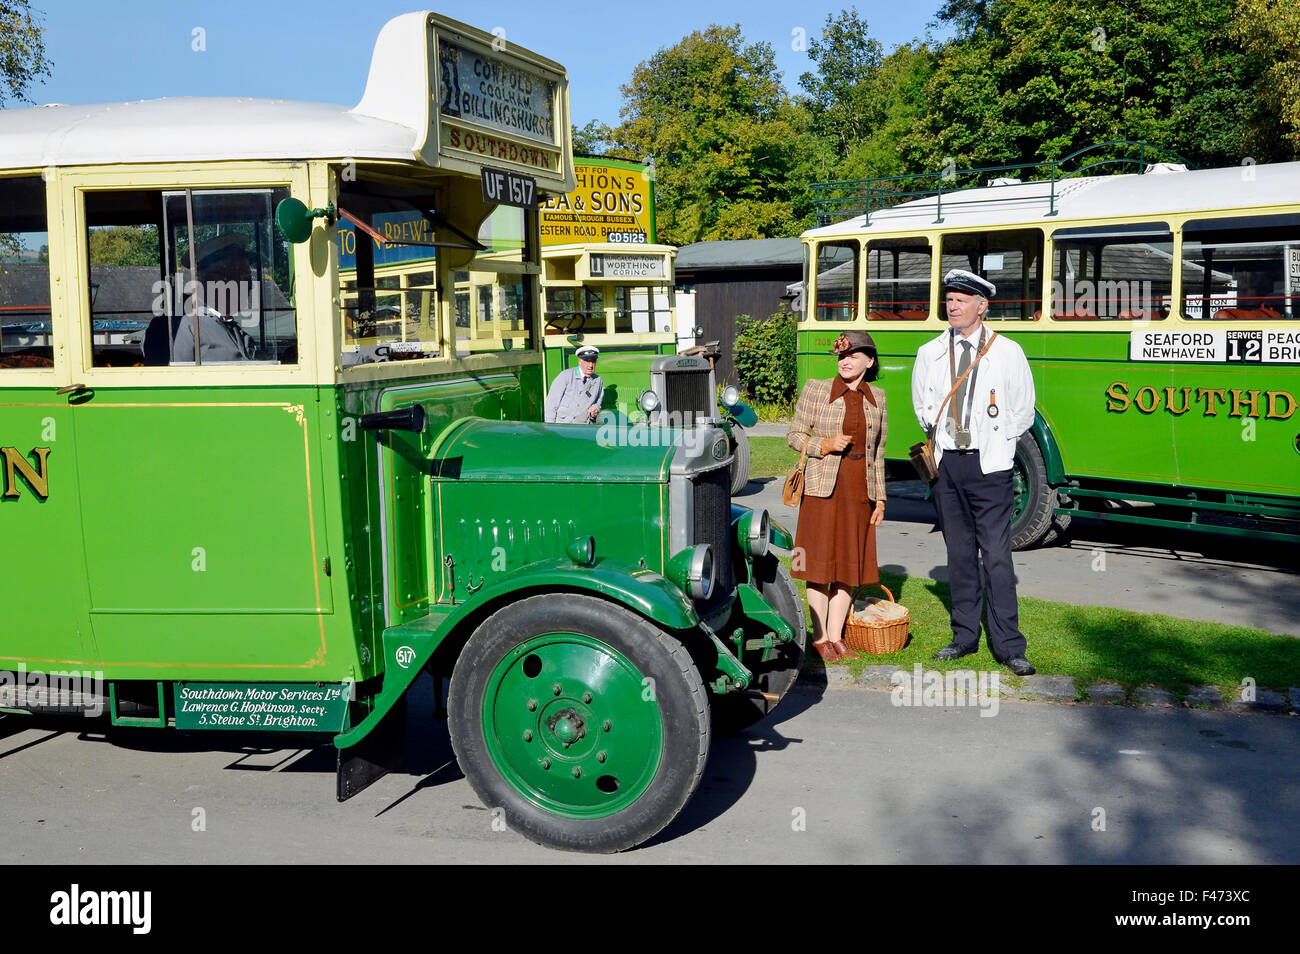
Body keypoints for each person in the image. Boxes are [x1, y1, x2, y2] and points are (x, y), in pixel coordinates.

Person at [911, 269, 1037, 676]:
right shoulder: (930, 352)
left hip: (989, 465)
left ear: (982, 307)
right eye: (949, 299)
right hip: (948, 465)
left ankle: (1010, 646)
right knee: (960, 555)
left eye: (961, 300)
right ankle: (964, 637)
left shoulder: (1008, 351)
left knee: (997, 557)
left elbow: (1023, 411)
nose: (952, 306)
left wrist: (995, 441)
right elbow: (921, 405)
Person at [787, 330, 887, 661]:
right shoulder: (816, 389)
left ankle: (836, 636)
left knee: (848, 567)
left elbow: (878, 452)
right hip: (822, 490)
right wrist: (824, 445)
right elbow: (794, 435)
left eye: (853, 357)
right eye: (842, 357)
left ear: (869, 362)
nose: (845, 362)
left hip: (860, 491)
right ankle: (819, 638)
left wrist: (880, 499)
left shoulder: (878, 397)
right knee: (817, 566)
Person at [167, 233, 258, 363]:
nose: (250, 286)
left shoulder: (232, 327)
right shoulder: (179, 326)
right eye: (244, 277)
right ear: (219, 278)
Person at [544, 345, 603, 423]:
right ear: (580, 361)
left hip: (584, 427)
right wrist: (550, 426)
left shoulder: (598, 380)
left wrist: (595, 410)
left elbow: (598, 403)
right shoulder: (565, 375)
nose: (591, 365)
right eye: (587, 361)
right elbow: (551, 404)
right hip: (563, 426)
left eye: (593, 361)